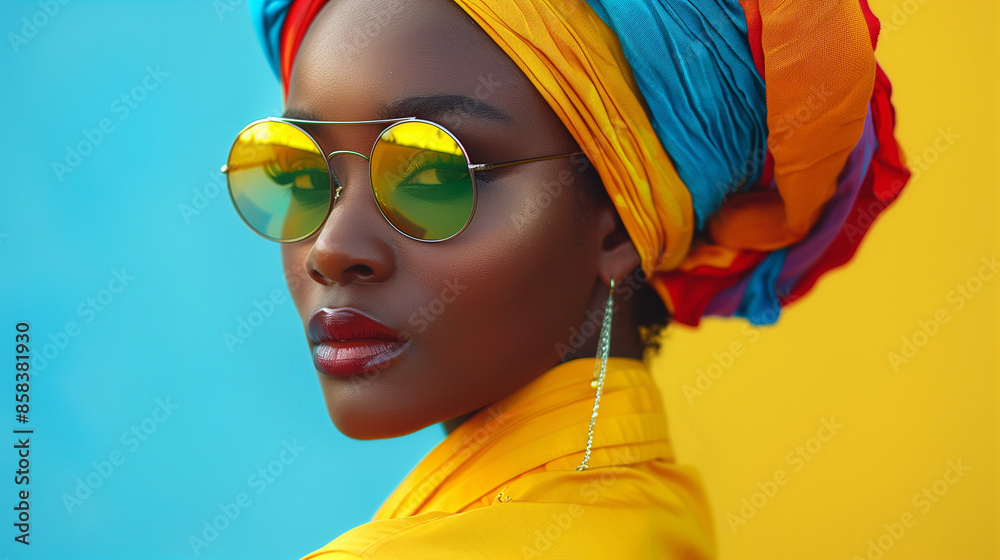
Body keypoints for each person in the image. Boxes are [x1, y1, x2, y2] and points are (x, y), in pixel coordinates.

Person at [223, 0, 910, 557]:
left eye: (434, 173)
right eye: (302, 169)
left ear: (616, 223)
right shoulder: (658, 516)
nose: (332, 247)